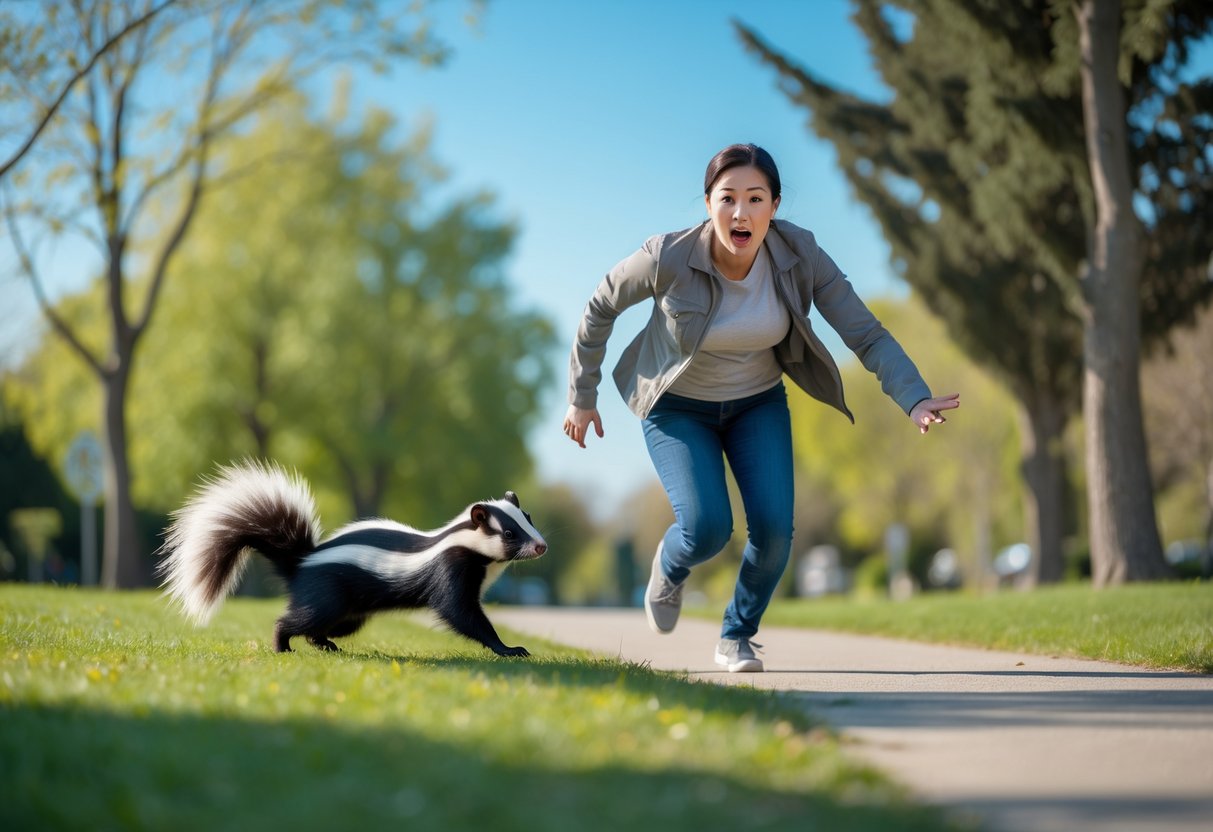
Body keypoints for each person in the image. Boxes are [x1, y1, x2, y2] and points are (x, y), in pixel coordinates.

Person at [563, 144, 959, 673]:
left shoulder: (802, 256)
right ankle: (670, 565)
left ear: (774, 206)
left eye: (755, 198)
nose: (740, 213)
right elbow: (601, 305)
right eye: (727, 199)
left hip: (757, 404)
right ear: (708, 204)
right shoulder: (667, 257)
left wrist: (913, 396)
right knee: (706, 527)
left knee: (774, 531)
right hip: (677, 408)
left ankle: (737, 635)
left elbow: (864, 332)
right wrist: (581, 396)